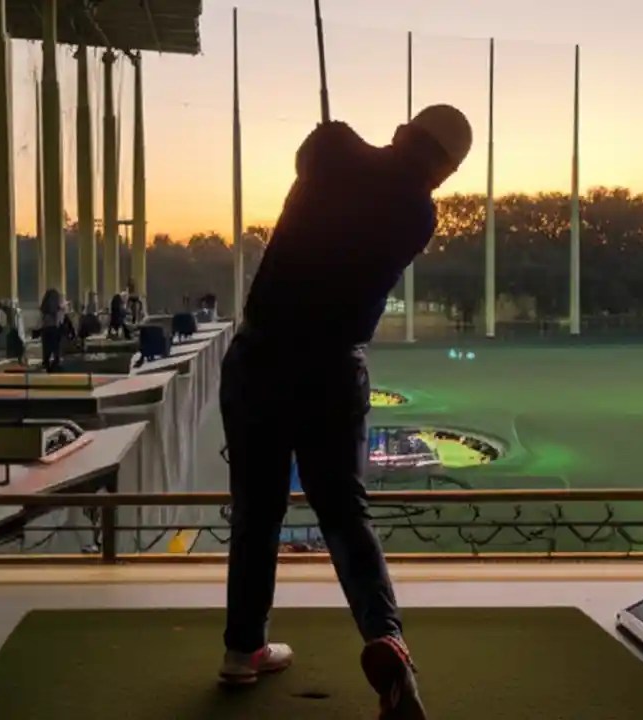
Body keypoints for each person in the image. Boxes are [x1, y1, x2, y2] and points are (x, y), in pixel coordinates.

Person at [216, 105, 472, 720]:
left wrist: (329, 133)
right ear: (443, 167)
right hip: (330, 372)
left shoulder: (333, 148)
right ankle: (386, 639)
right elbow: (370, 179)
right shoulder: (419, 212)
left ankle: (242, 650)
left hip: (258, 359)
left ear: (405, 130)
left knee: (257, 512)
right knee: (344, 515)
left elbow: (315, 154)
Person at [38, 289, 65, 372]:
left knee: (46, 351)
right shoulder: (57, 309)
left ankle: (46, 367)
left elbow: (40, 322)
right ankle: (55, 367)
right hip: (54, 329)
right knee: (56, 351)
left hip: (45, 330)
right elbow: (60, 321)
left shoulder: (44, 309)